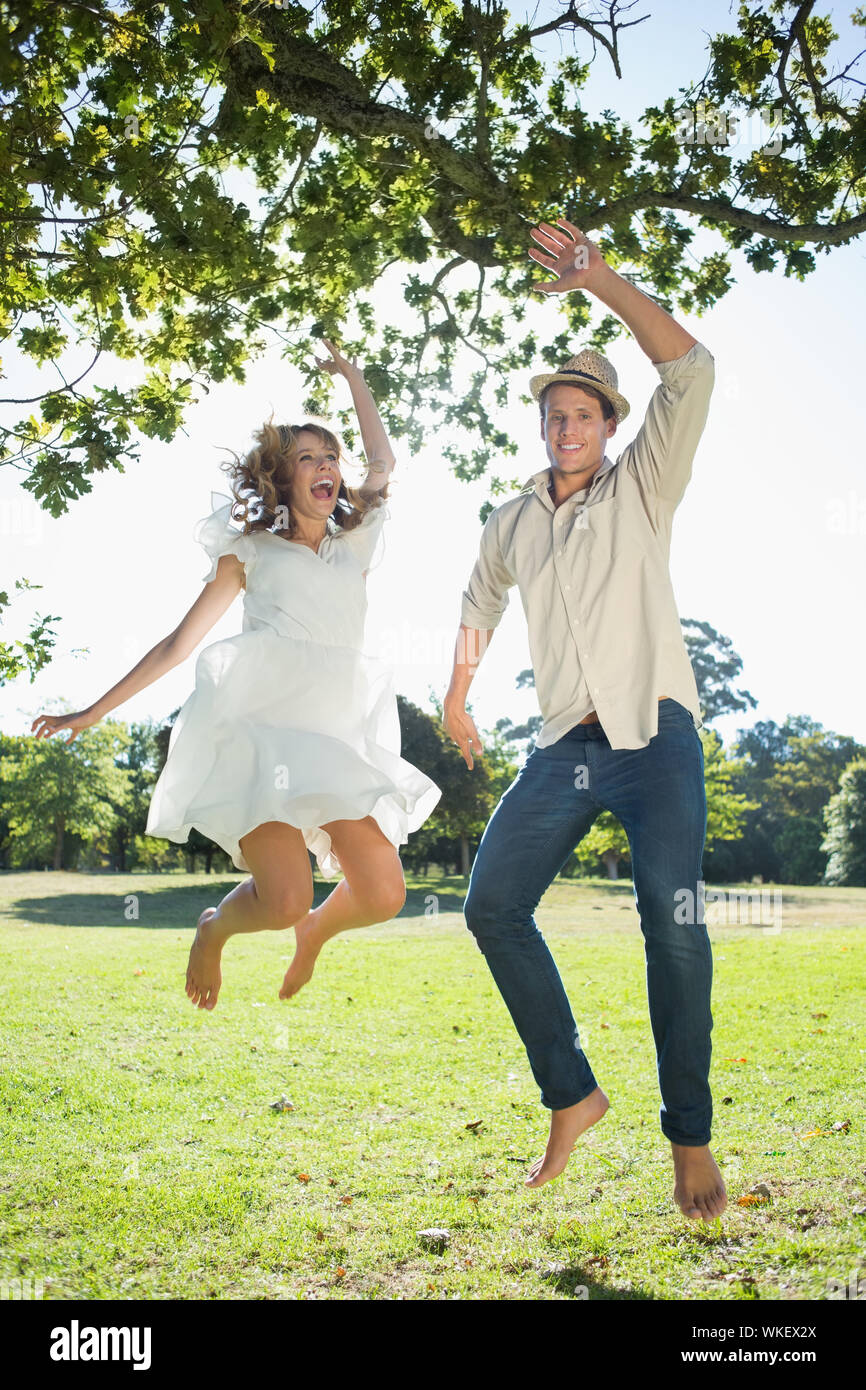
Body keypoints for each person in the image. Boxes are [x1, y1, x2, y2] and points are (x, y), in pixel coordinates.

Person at [442, 217, 726, 1223]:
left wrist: (596, 277)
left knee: (671, 916)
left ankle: (686, 1134)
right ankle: (572, 1092)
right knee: (490, 905)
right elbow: (476, 605)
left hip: (653, 737)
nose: (564, 429)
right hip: (564, 747)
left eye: (581, 416)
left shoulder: (639, 487)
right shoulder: (512, 518)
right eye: (552, 415)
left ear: (608, 424)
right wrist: (456, 692)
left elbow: (688, 369)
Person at [31, 340, 442, 1010]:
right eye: (307, 457)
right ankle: (215, 929)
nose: (325, 465)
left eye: (330, 455)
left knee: (386, 893)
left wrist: (354, 376)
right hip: (262, 737)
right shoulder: (249, 554)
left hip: (335, 743)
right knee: (280, 899)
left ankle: (315, 933)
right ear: (282, 478)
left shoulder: (353, 547)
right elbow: (176, 644)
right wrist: (91, 712)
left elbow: (385, 460)